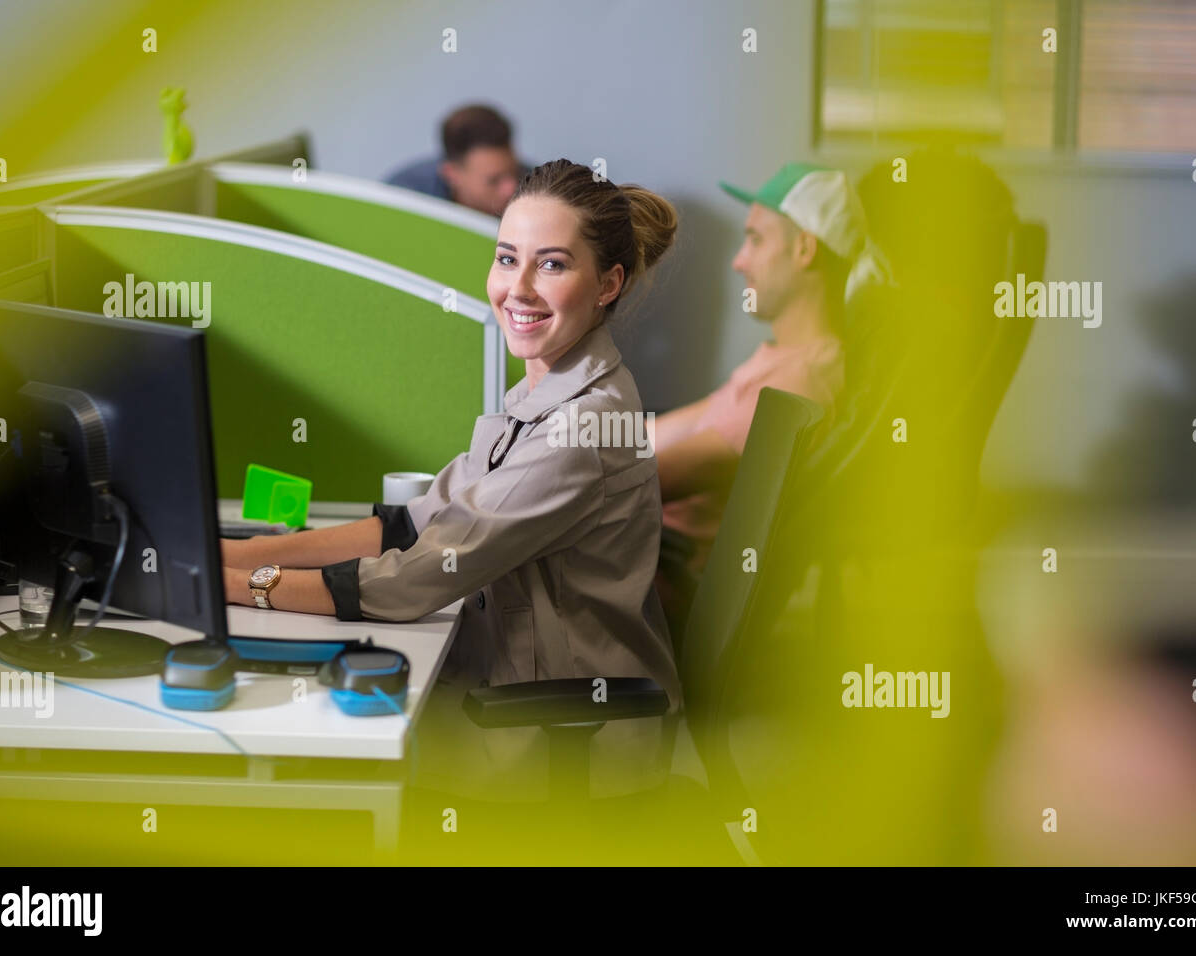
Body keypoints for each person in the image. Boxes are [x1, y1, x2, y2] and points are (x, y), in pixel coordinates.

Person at [220, 159, 680, 802]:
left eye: (551, 264)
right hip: (511, 691)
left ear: (608, 283)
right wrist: (229, 554)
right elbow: (412, 523)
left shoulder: (582, 426)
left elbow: (410, 581)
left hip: (564, 736)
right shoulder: (544, 388)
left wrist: (238, 586)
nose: (516, 288)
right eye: (506, 258)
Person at [649, 163, 885, 641]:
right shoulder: (784, 360)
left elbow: (636, 483)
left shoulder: (794, 388)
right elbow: (663, 433)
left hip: (655, 578)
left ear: (804, 249)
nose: (739, 261)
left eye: (755, 239)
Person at [384, 104, 529, 217]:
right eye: (494, 180)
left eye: (514, 171)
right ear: (451, 174)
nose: (511, 188)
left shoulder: (540, 190)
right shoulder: (401, 199)